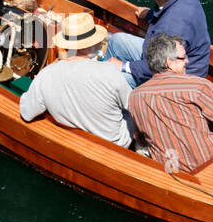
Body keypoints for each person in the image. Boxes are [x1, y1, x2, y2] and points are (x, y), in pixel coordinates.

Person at [128, 33, 213, 172]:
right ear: (169, 63)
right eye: (183, 57)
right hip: (205, 169)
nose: (187, 61)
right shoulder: (196, 86)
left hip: (170, 171)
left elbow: (140, 139)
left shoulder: (135, 96)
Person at [19, 12, 134, 148]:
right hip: (114, 145)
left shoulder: (47, 74)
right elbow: (135, 108)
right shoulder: (110, 72)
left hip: (73, 140)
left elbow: (27, 113)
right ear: (92, 43)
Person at [103, 0, 211, 87]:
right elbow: (169, 11)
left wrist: (123, 66)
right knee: (117, 40)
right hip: (174, 58)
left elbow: (159, 66)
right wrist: (149, 14)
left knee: (112, 78)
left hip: (179, 79)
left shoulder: (169, 29)